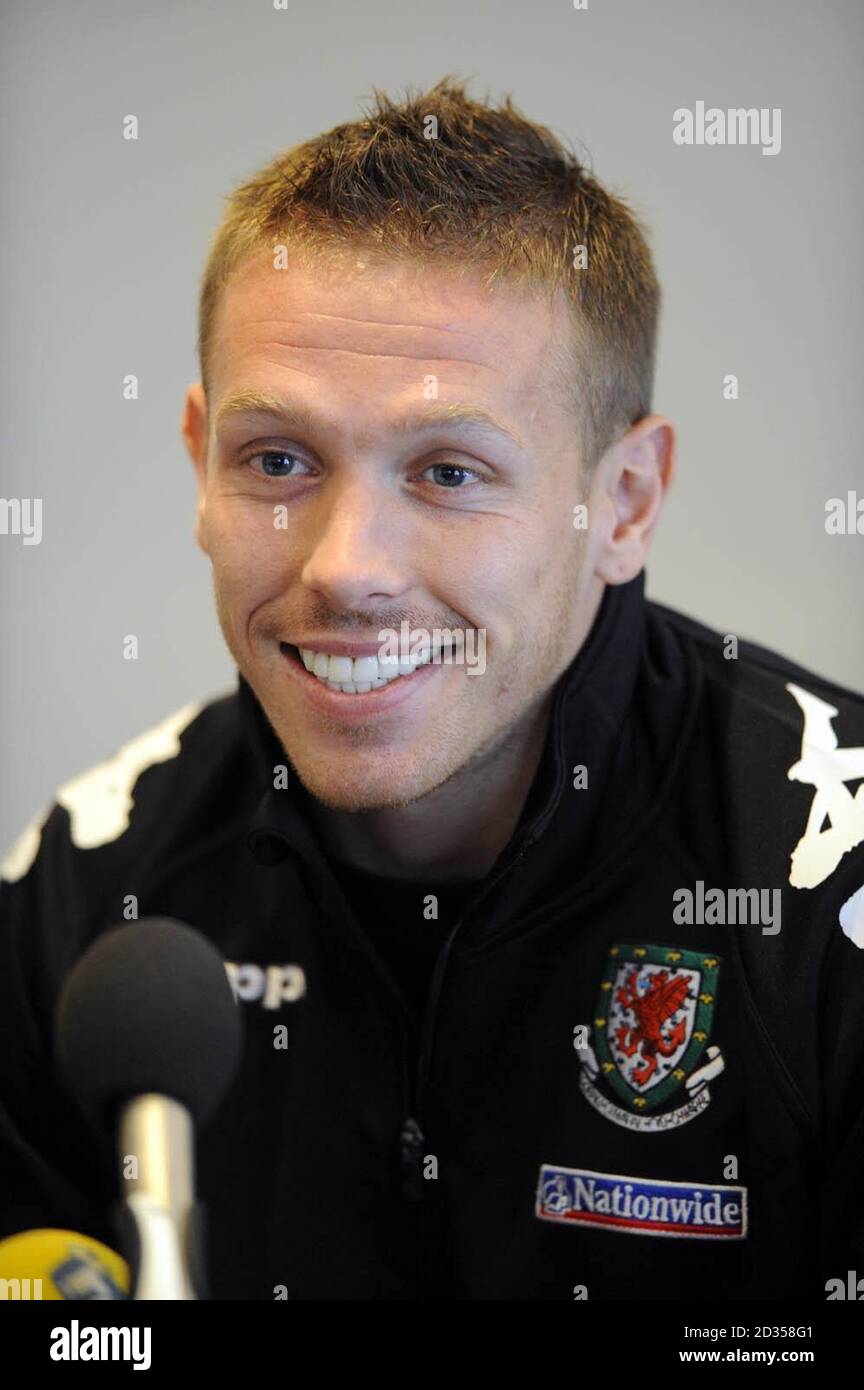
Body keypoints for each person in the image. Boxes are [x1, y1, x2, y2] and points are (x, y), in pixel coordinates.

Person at [2, 76, 862, 1301]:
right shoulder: (86, 892)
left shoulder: (833, 902)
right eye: (279, 459)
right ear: (200, 464)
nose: (346, 570)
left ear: (625, 502)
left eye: (451, 471)